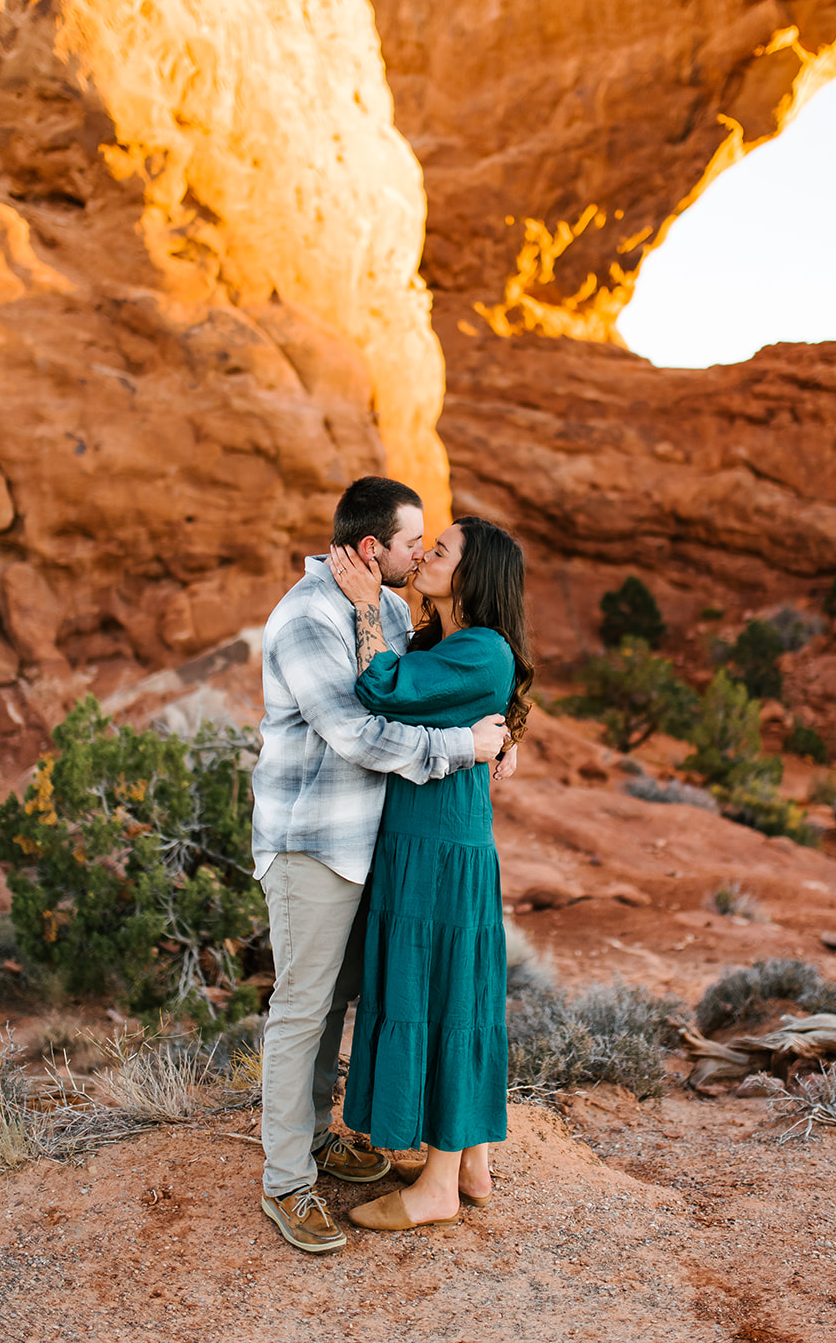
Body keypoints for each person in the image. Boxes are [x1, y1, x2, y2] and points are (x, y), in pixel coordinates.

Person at [252, 477, 513, 1256]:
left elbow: (445, 685)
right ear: (374, 548)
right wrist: (466, 749)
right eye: (412, 543)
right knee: (302, 1008)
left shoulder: (394, 609)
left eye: (432, 546)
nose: (419, 554)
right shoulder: (305, 619)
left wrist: (503, 729)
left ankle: (318, 1137)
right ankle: (286, 1184)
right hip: (315, 844)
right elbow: (359, 734)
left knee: (336, 1001)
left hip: (377, 846)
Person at [328, 514, 532, 1231]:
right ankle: (470, 1161)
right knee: (457, 992)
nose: (423, 555)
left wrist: (360, 608)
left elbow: (382, 688)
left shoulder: (481, 649)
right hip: (426, 839)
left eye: (438, 551)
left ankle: (438, 1187)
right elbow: (461, 708)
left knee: (447, 998)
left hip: (439, 849)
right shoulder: (446, 642)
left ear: (473, 575)